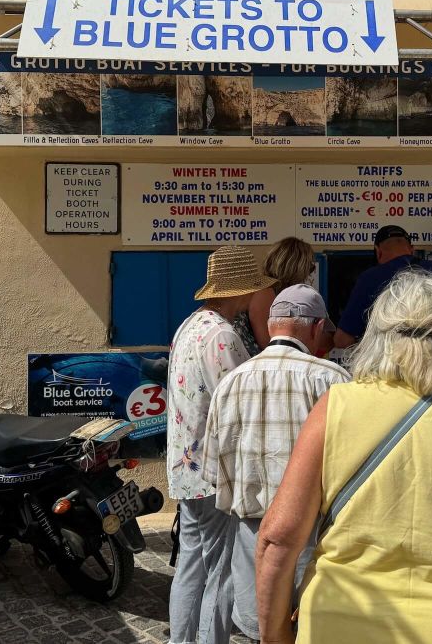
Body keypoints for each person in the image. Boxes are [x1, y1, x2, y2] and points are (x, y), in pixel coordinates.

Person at [256, 269, 432, 644]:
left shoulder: (336, 408)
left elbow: (277, 540)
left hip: (342, 623)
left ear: (375, 337)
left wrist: (276, 635)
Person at [202, 284, 350, 641]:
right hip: (315, 537)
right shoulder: (333, 380)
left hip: (253, 535)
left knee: (263, 633)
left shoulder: (232, 382)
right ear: (316, 328)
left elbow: (212, 471)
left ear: (271, 326)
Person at [167, 245, 274, 644]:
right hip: (214, 470)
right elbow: (240, 402)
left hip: (186, 465)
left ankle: (180, 639)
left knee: (191, 565)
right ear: (241, 291)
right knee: (220, 570)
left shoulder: (190, 325)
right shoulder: (222, 335)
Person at [333, 224, 432, 348]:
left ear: (378, 252)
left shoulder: (369, 278)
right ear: (412, 249)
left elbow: (342, 340)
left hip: (388, 372)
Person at [242, 237, 318, 352]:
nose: (308, 274)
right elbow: (267, 342)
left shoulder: (277, 292)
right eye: (309, 268)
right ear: (295, 268)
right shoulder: (265, 291)